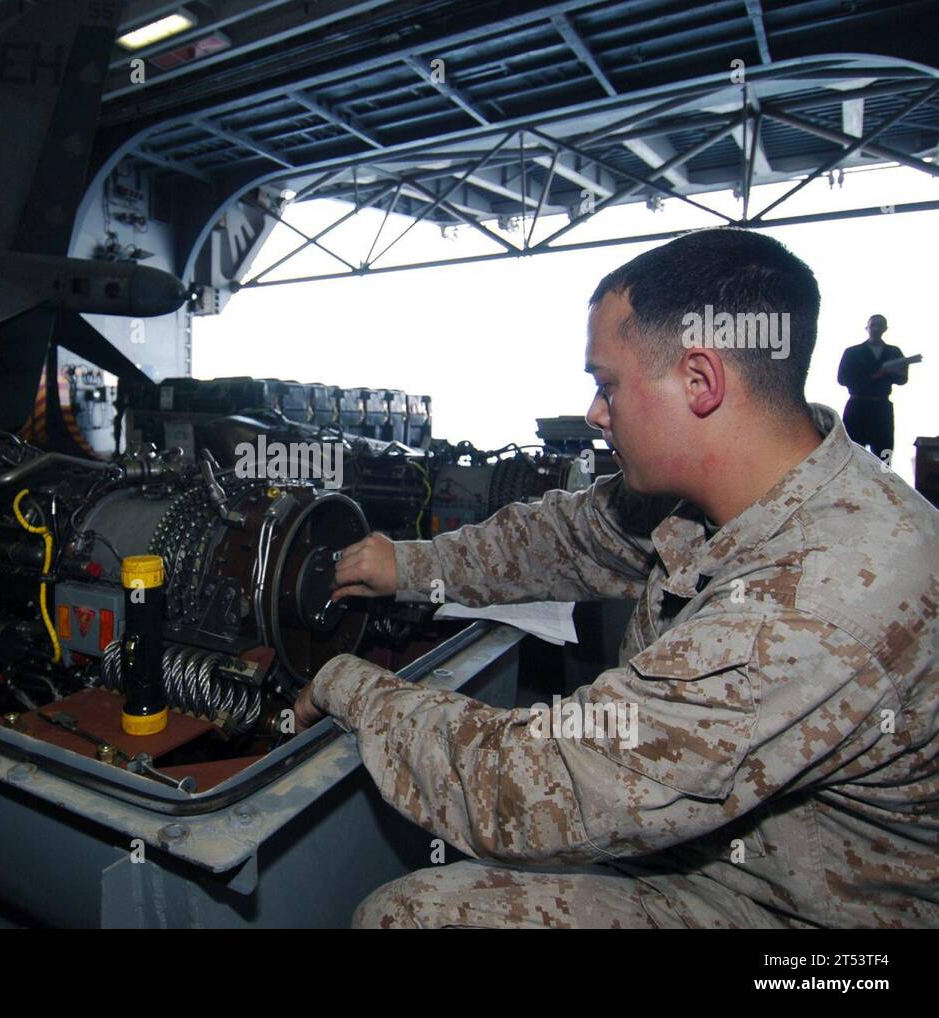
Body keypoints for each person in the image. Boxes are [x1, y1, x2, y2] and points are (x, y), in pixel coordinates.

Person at [295, 228, 939, 929]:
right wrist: (411, 566)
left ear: (700, 381)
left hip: (804, 922)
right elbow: (568, 536)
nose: (596, 415)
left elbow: (531, 791)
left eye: (607, 386)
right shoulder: (741, 483)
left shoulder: (819, 601)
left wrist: (346, 685)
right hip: (721, 855)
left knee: (410, 918)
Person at [837, 314, 909, 458]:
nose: (876, 329)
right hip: (858, 406)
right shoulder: (853, 352)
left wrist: (900, 370)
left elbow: (902, 380)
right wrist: (876, 375)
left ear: (885, 329)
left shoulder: (893, 352)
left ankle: (883, 480)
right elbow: (842, 379)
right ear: (867, 328)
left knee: (884, 455)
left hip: (881, 407)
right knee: (852, 455)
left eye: (880, 325)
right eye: (873, 325)